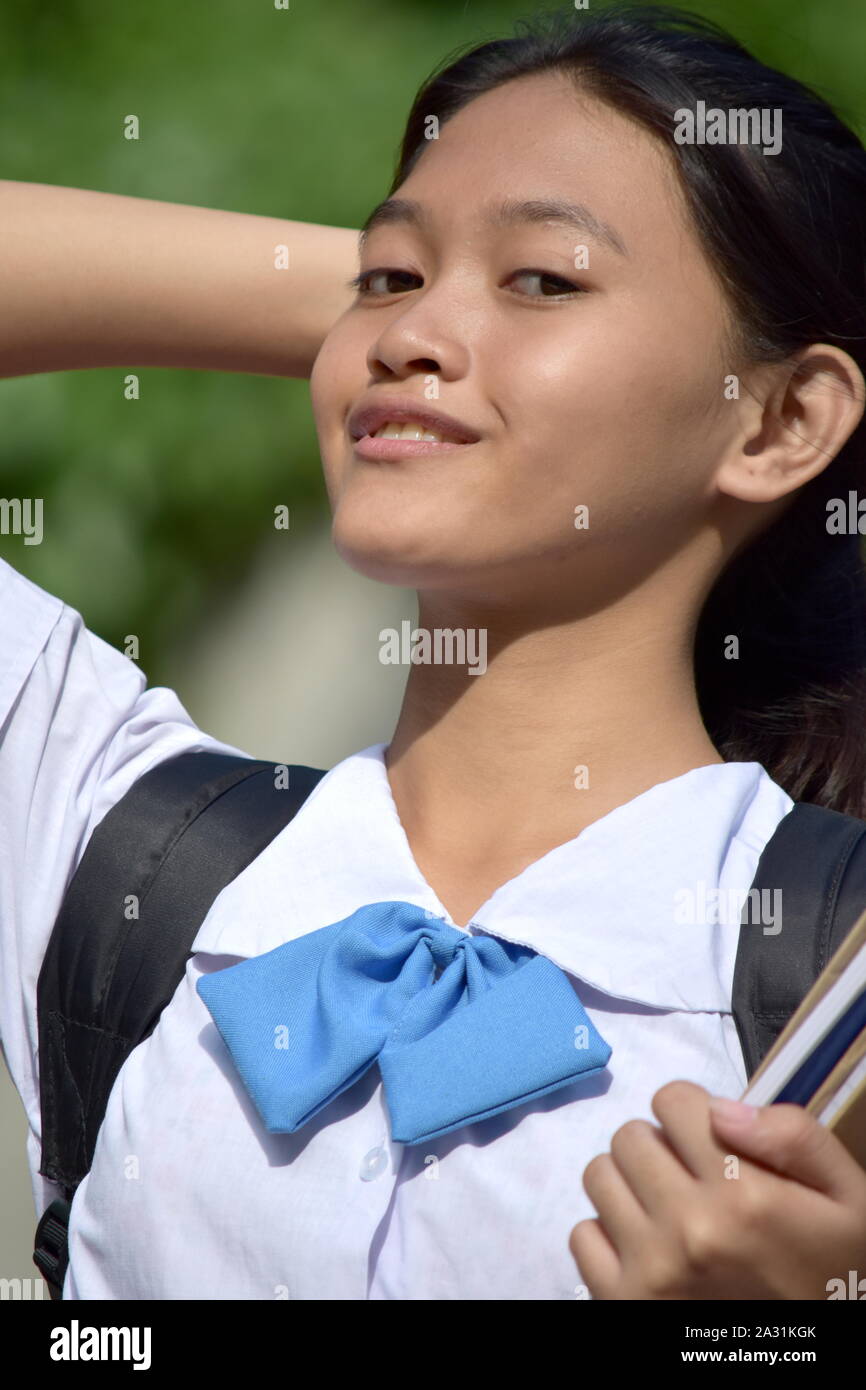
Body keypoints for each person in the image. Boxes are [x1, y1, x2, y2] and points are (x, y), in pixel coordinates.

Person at [2, 1, 866, 1300]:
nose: (407, 334)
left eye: (546, 279)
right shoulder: (118, 837)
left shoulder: (833, 999)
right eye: (391, 277)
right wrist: (378, 307)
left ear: (781, 421)